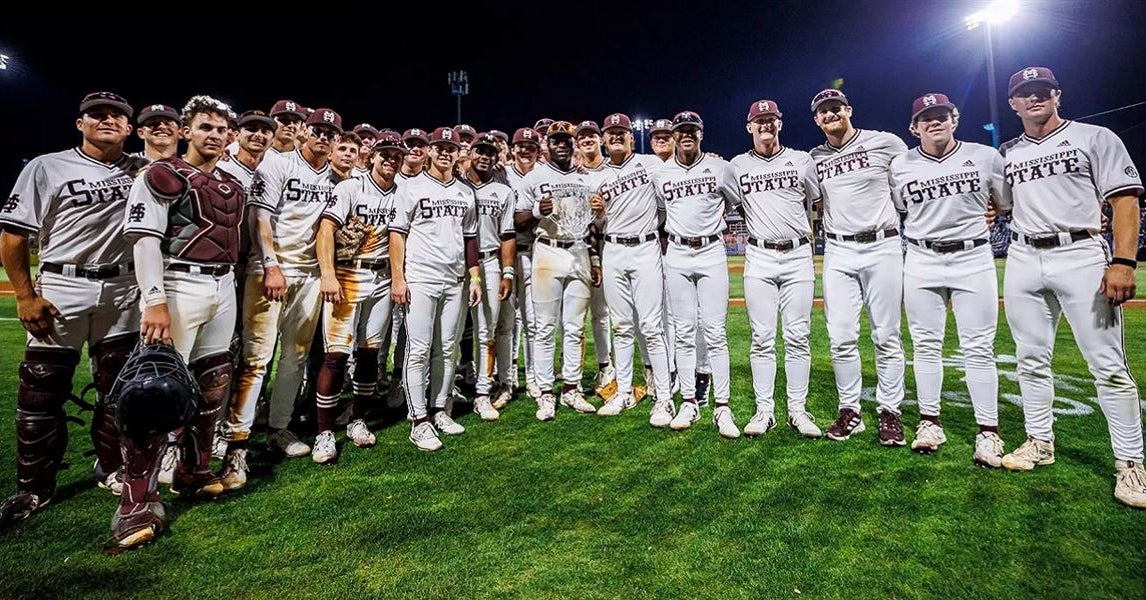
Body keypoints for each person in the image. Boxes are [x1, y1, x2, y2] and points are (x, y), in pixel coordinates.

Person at [996, 67, 1145, 507]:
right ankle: (1039, 441)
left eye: (1042, 90)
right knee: (1030, 359)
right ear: (1014, 104)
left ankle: (1131, 463)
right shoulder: (1007, 152)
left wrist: (1122, 261)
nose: (1034, 97)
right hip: (1023, 256)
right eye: (1025, 93)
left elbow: (1125, 200)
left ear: (1057, 94)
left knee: (1108, 364)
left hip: (1079, 251)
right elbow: (999, 203)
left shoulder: (1095, 137)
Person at [0, 92, 148, 526]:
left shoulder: (140, 169)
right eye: (97, 115)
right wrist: (25, 295)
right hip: (64, 282)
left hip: (122, 285)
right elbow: (11, 234)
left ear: (128, 127)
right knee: (42, 390)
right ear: (79, 123)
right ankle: (33, 487)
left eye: (117, 117)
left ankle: (111, 466)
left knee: (118, 388)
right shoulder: (46, 166)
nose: (107, 121)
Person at [111, 94, 245, 551]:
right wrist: (154, 300)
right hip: (177, 282)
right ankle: (135, 503)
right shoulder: (161, 174)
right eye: (206, 127)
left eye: (222, 130)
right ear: (186, 131)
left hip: (221, 285)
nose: (215, 136)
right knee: (153, 392)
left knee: (212, 384)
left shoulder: (232, 185)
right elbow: (144, 239)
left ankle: (192, 471)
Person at [887, 93, 1009, 462]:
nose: (934, 121)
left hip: (973, 256)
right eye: (926, 118)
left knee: (978, 347)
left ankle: (988, 431)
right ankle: (929, 421)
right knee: (925, 345)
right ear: (914, 127)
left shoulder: (985, 156)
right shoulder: (901, 165)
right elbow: (900, 207)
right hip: (922, 257)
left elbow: (1003, 203)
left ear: (955, 119)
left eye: (941, 115)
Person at [225, 108, 343, 459]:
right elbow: (258, 215)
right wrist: (270, 264)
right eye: (318, 130)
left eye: (330, 132)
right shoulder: (277, 164)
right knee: (256, 357)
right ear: (304, 131)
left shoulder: (335, 179)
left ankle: (279, 427)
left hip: (309, 275)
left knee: (295, 356)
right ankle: (237, 439)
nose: (323, 137)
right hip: (270, 272)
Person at [808, 89, 909, 445]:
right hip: (838, 249)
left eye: (836, 107)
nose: (830, 114)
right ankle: (849, 410)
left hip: (882, 244)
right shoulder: (814, 158)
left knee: (886, 335)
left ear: (849, 110)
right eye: (823, 111)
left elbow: (917, 175)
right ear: (817, 120)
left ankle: (890, 412)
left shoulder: (886, 143)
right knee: (841, 336)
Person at [309, 132, 406, 464]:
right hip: (348, 274)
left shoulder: (400, 193)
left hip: (380, 277)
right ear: (373, 155)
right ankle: (324, 432)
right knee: (335, 356)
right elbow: (325, 230)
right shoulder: (351, 186)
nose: (391, 160)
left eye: (396, 156)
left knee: (369, 354)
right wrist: (328, 274)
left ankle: (357, 419)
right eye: (386, 154)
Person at [729, 99, 824, 438]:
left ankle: (798, 410)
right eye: (760, 120)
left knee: (798, 336)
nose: (766, 125)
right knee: (762, 337)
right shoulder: (736, 165)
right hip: (759, 255)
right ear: (749, 127)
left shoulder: (802, 160)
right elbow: (723, 198)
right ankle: (764, 410)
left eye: (771, 120)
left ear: (780, 124)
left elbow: (818, 201)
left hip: (798, 254)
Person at [650, 111, 743, 438]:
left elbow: (733, 203)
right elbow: (662, 209)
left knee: (715, 332)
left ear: (701, 133)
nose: (686, 135)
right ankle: (689, 401)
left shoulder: (721, 167)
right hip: (676, 252)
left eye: (692, 130)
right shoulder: (661, 174)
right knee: (685, 331)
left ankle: (723, 407)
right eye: (681, 131)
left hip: (711, 251)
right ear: (674, 136)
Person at [389, 126, 481, 451]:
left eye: (450, 148)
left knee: (447, 349)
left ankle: (440, 409)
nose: (444, 152)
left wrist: (475, 277)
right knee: (418, 350)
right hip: (421, 278)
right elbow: (397, 234)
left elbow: (470, 238)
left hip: (455, 280)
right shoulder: (411, 188)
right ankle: (419, 421)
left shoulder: (465, 192)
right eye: (439, 147)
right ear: (429, 151)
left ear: (458, 154)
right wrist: (398, 278)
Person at [514, 120, 609, 419]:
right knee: (544, 328)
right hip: (547, 249)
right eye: (555, 140)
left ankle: (571, 388)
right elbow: (518, 221)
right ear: (547, 144)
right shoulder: (535, 176)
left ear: (573, 144)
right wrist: (535, 213)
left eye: (566, 140)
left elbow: (594, 227)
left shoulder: (585, 179)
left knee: (574, 326)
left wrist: (594, 257)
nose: (561, 144)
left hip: (579, 249)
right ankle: (544, 392)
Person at [593, 113, 674, 423]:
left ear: (631, 137)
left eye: (621, 132)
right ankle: (624, 392)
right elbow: (597, 222)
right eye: (610, 132)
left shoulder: (651, 163)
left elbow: (668, 202)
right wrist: (597, 213)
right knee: (622, 326)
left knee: (652, 326)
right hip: (612, 248)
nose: (615, 136)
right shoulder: (598, 177)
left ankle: (664, 397)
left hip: (645, 247)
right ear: (604, 139)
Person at [650, 117, 712, 405]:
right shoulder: (653, 170)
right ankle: (673, 371)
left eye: (666, 135)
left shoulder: (707, 165)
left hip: (695, 249)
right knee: (668, 319)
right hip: (661, 251)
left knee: (699, 320)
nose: (662, 139)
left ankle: (702, 373)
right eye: (658, 136)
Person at [464, 133, 517, 420]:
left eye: (490, 153)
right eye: (480, 151)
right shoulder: (455, 187)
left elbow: (508, 235)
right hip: (453, 266)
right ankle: (442, 394)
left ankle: (483, 393)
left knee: (487, 331)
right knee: (446, 337)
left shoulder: (503, 192)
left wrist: (507, 272)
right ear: (469, 154)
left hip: (489, 262)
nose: (485, 156)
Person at [574, 120, 617, 395]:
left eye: (592, 136)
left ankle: (607, 366)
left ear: (601, 139)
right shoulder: (575, 176)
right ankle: (574, 373)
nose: (587, 140)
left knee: (605, 313)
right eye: (583, 137)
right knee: (577, 314)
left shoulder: (614, 171)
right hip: (580, 247)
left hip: (609, 244)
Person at [505, 127, 544, 406]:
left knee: (533, 320)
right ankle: (506, 379)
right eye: (521, 145)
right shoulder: (501, 173)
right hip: (504, 254)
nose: (525, 150)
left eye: (530, 146)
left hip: (533, 252)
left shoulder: (543, 174)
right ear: (512, 148)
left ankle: (532, 377)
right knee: (506, 322)